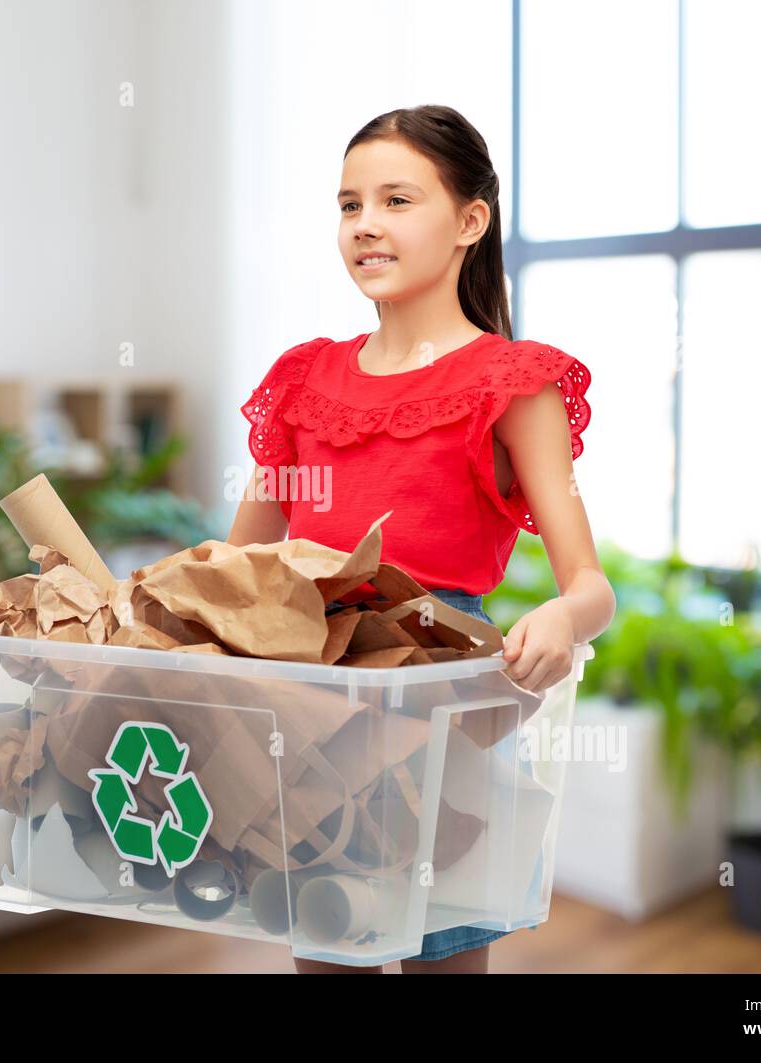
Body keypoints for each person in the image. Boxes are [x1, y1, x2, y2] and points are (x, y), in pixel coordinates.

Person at [228, 104, 615, 973]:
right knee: (325, 947)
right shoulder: (302, 381)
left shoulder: (513, 383)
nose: (366, 224)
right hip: (310, 702)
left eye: (397, 200)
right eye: (349, 204)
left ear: (470, 221)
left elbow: (590, 585)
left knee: (443, 957)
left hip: (442, 706)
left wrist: (560, 618)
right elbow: (235, 572)